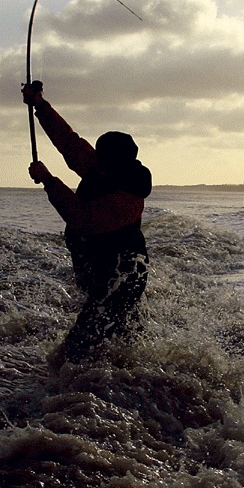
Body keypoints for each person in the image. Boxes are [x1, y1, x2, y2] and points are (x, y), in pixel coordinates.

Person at [22, 81, 151, 367]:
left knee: (74, 353)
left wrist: (48, 180)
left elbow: (83, 219)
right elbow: (67, 141)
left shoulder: (128, 198)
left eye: (100, 159)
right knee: (117, 341)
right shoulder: (100, 165)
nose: (93, 161)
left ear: (117, 164)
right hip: (100, 270)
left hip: (123, 275)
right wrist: (39, 105)